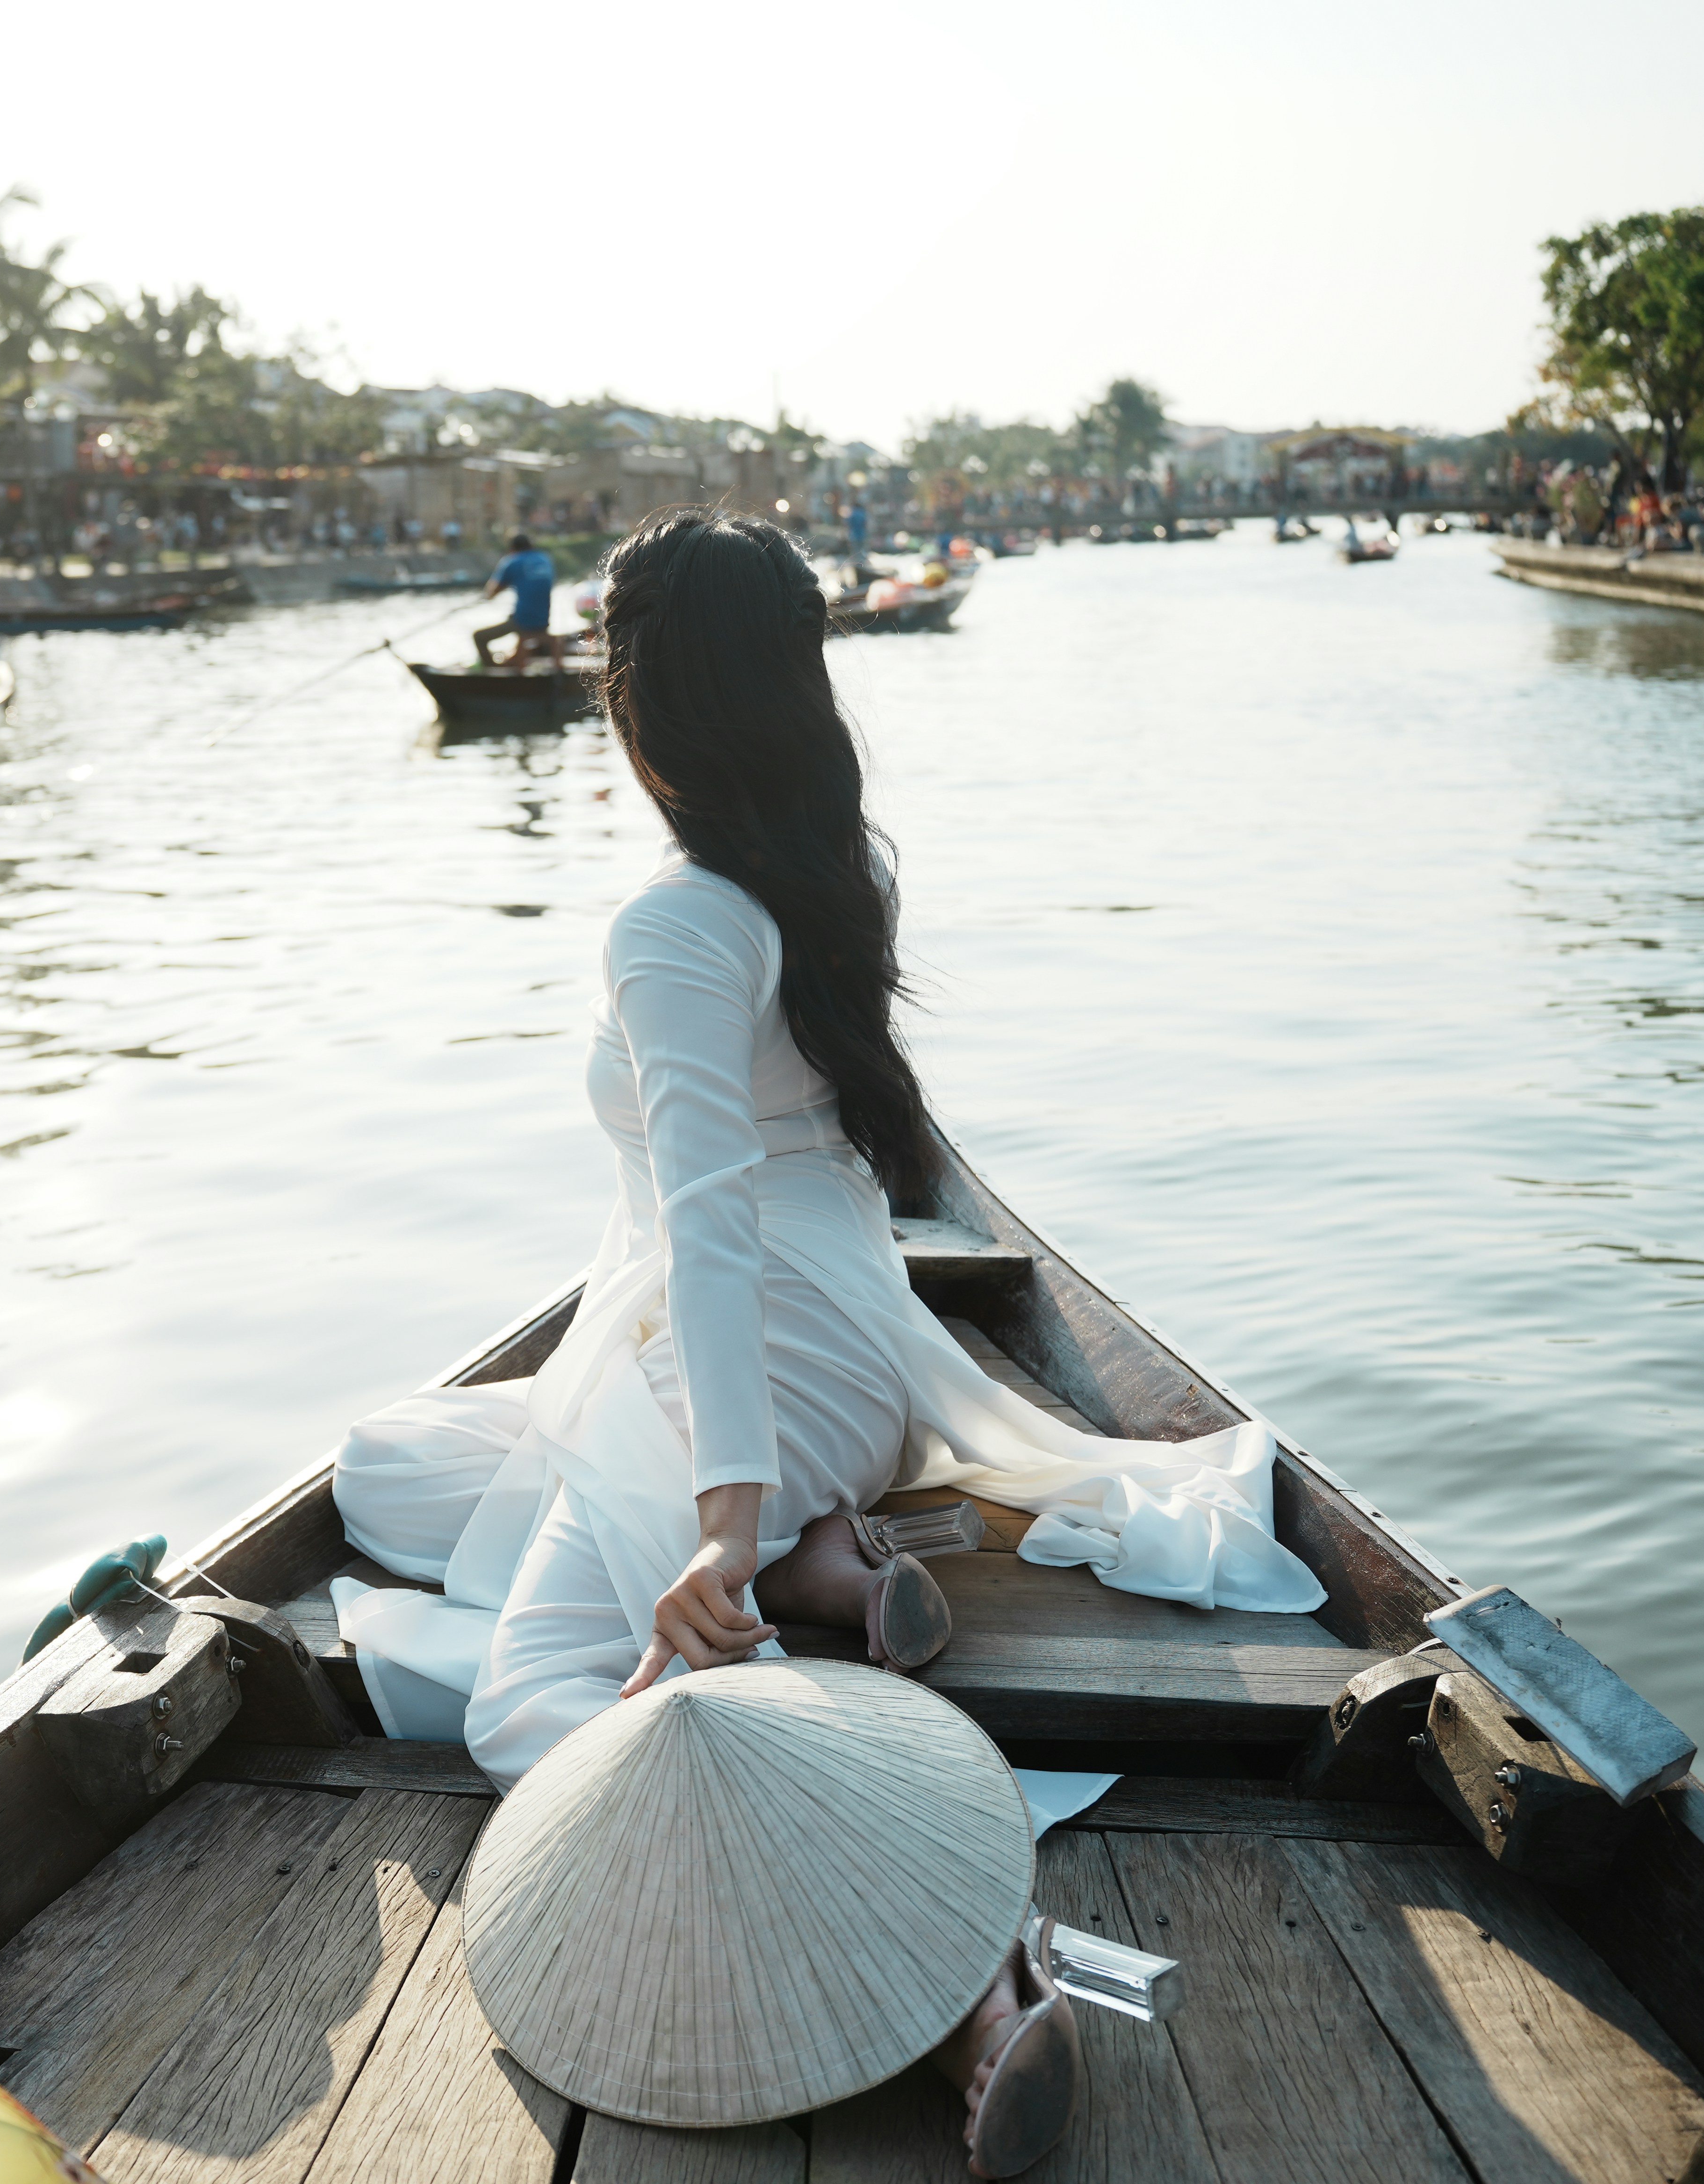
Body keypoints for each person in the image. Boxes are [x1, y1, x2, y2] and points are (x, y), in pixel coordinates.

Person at [329, 508, 1321, 2176]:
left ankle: (969, 1979)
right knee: (391, 1469)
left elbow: (709, 1226)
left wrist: (714, 1505)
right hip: (862, 1368)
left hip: (751, 1375)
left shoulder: (670, 924)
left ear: (640, 697)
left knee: (525, 1697)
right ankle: (816, 1565)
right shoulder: (833, 864)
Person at [473, 532, 564, 671]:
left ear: (512, 549)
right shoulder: (544, 559)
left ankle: (493, 672)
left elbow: (492, 592)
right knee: (514, 618)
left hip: (523, 622)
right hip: (544, 621)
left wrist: (486, 597)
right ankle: (512, 661)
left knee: (479, 637)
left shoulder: (513, 561)